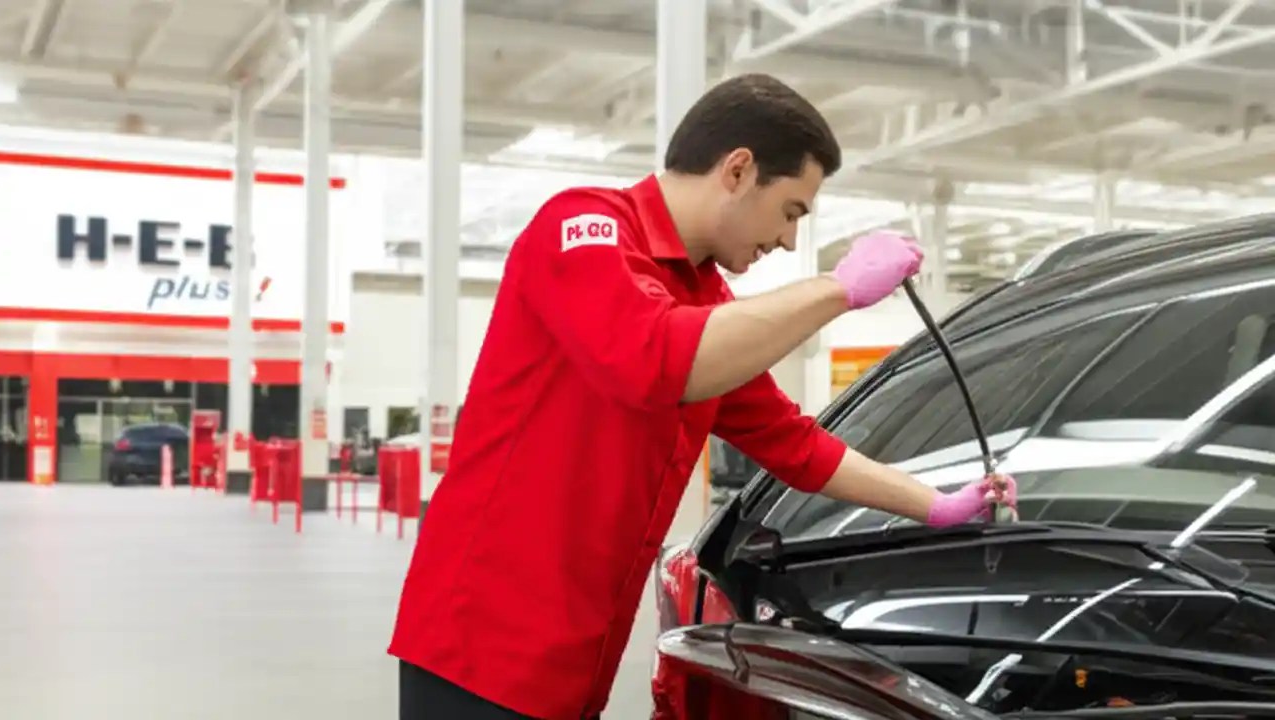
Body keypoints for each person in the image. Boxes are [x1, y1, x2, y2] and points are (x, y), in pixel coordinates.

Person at [389, 73, 1016, 720]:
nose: (787, 240)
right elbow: (654, 358)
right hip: (479, 647)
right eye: (792, 211)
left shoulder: (705, 300)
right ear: (739, 170)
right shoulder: (582, 230)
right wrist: (837, 290)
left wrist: (937, 506)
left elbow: (792, 443)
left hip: (576, 654)